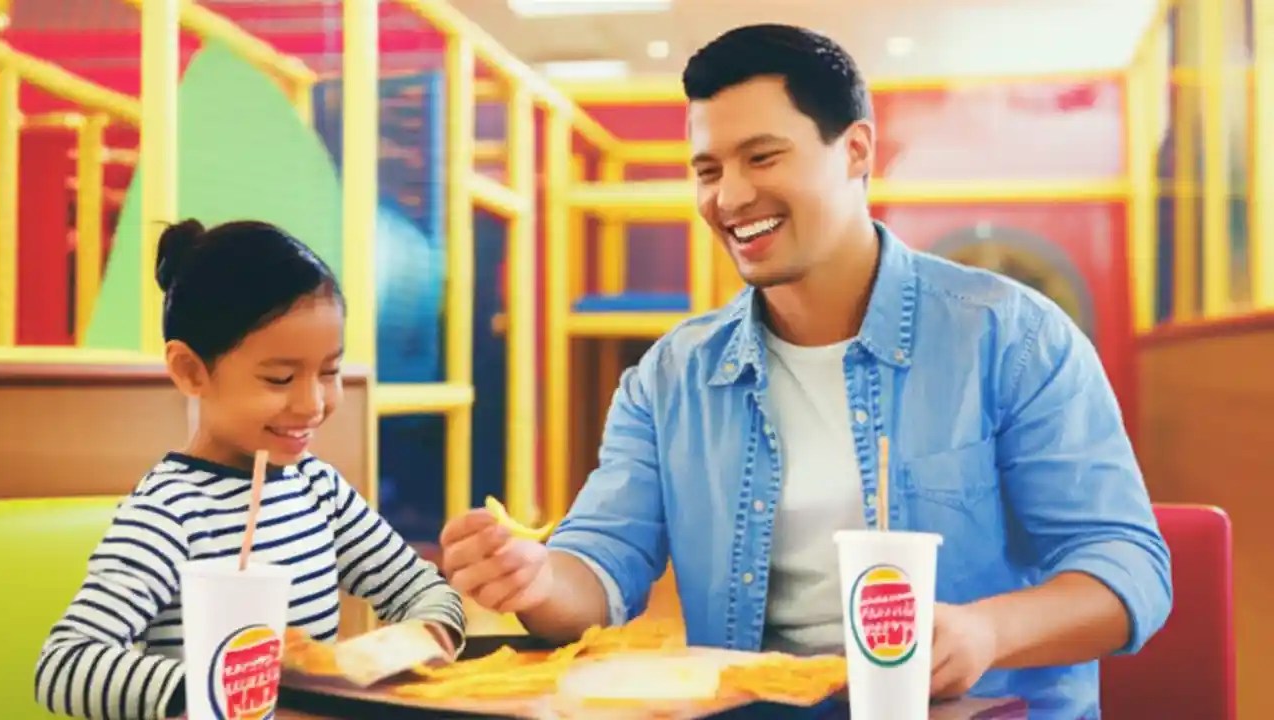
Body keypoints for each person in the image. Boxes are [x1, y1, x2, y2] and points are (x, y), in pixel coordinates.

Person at [439, 23, 1172, 717]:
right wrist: (535, 579)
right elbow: (600, 567)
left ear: (855, 151)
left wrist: (986, 632)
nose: (728, 197)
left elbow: (1127, 568)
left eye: (762, 158)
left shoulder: (1011, 337)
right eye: (707, 169)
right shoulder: (671, 379)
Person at [35, 219, 465, 719]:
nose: (312, 403)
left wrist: (414, 643)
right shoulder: (169, 513)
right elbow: (64, 666)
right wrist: (233, 688)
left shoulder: (319, 490)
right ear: (191, 371)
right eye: (279, 377)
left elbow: (425, 591)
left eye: (329, 371)